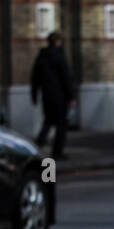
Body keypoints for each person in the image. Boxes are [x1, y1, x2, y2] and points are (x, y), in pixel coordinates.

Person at [30, 32, 76, 160]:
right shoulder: (59, 56)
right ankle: (57, 151)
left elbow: (34, 78)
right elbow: (65, 78)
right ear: (57, 41)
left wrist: (34, 95)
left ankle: (37, 146)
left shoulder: (41, 56)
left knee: (48, 121)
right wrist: (71, 96)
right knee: (61, 124)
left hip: (46, 95)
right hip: (60, 96)